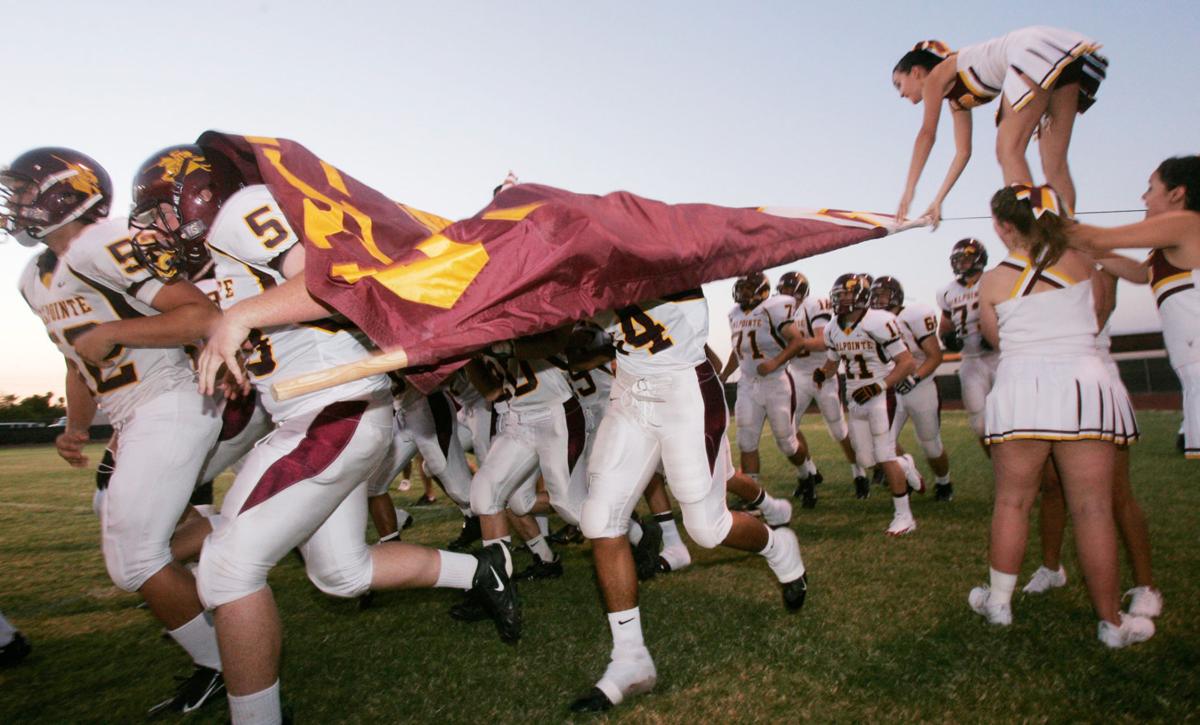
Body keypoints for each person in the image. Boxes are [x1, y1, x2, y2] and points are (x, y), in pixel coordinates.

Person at [136, 145, 519, 724]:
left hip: (330, 414)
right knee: (341, 574)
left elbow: (335, 285)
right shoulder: (221, 245)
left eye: (161, 215)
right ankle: (483, 572)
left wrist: (238, 320)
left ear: (197, 194)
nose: (157, 233)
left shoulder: (243, 212)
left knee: (227, 567)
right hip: (329, 414)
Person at [5, 147, 229, 714]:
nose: (16, 203)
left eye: (26, 191)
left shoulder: (103, 240)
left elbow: (199, 314)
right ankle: (254, 526)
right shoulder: (34, 277)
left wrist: (113, 329)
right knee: (143, 538)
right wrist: (75, 425)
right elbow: (75, 358)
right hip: (132, 413)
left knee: (134, 559)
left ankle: (222, 664)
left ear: (65, 192)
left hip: (172, 397)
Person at [572, 289, 807, 712]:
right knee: (600, 518)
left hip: (685, 390)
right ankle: (631, 658)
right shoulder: (590, 263)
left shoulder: (665, 250)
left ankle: (778, 545)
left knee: (707, 529)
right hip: (629, 390)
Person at [969, 183, 1151, 648]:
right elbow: (1104, 309)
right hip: (1083, 385)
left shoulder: (990, 281)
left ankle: (999, 605)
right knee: (1093, 509)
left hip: (1020, 388)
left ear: (1005, 227)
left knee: (1012, 502)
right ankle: (1111, 623)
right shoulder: (1083, 261)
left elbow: (994, 339)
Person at [1023, 269, 1161, 620]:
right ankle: (1051, 568)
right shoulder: (1026, 267)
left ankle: (1146, 585)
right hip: (1046, 382)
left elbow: (1100, 316)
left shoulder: (1093, 259)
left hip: (1091, 378)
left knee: (1116, 492)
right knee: (1052, 486)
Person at [892, 27, 1108, 224]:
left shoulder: (935, 79)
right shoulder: (958, 101)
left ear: (916, 72)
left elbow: (927, 135)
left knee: (1009, 150)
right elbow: (963, 153)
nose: (901, 94)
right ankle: (1066, 233)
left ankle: (1035, 231)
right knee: (1054, 162)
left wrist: (909, 190)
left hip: (1028, 52)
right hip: (1054, 57)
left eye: (899, 84)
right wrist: (938, 200)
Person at [1069, 155, 1200, 461]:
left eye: (1150, 187)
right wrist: (1092, 250)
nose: (1143, 196)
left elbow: (1097, 236)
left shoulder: (1186, 222)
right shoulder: (1170, 245)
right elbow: (1142, 274)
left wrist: (1043, 214)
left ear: (1177, 193)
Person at [814, 274, 920, 535]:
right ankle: (905, 464)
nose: (841, 300)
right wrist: (822, 373)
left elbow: (907, 363)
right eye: (838, 295)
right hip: (853, 397)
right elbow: (832, 361)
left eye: (846, 295)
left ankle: (904, 516)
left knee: (884, 456)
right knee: (865, 458)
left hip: (880, 395)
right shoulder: (832, 328)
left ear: (862, 296)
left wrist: (879, 385)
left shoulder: (880, 321)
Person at [721, 272, 820, 507]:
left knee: (787, 442)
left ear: (763, 290)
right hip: (748, 383)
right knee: (746, 441)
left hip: (776, 382)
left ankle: (808, 475)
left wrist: (775, 362)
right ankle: (752, 497)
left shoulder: (774, 308)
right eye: (741, 287)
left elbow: (796, 341)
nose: (744, 292)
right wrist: (724, 375)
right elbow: (739, 350)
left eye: (749, 288)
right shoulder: (734, 314)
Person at [776, 272, 863, 494]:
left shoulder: (814, 304)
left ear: (802, 291)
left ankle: (859, 472)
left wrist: (795, 342)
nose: (786, 295)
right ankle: (809, 471)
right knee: (788, 428)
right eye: (783, 291)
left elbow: (823, 342)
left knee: (837, 428)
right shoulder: (778, 311)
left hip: (821, 373)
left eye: (790, 291)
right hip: (796, 373)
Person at [870, 276, 953, 501]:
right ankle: (905, 471)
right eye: (874, 295)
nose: (877, 300)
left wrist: (914, 378)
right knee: (879, 443)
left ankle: (944, 482)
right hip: (893, 388)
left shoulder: (914, 315)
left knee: (930, 445)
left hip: (921, 387)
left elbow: (935, 356)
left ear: (896, 295)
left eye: (882, 295)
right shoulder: (873, 321)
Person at [938, 239, 999, 446]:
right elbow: (944, 326)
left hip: (1000, 356)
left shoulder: (994, 280)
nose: (961, 264)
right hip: (970, 360)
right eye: (958, 260)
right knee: (979, 424)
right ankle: (999, 468)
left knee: (1011, 416)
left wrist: (997, 334)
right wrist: (948, 339)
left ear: (979, 259)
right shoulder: (947, 292)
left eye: (966, 259)